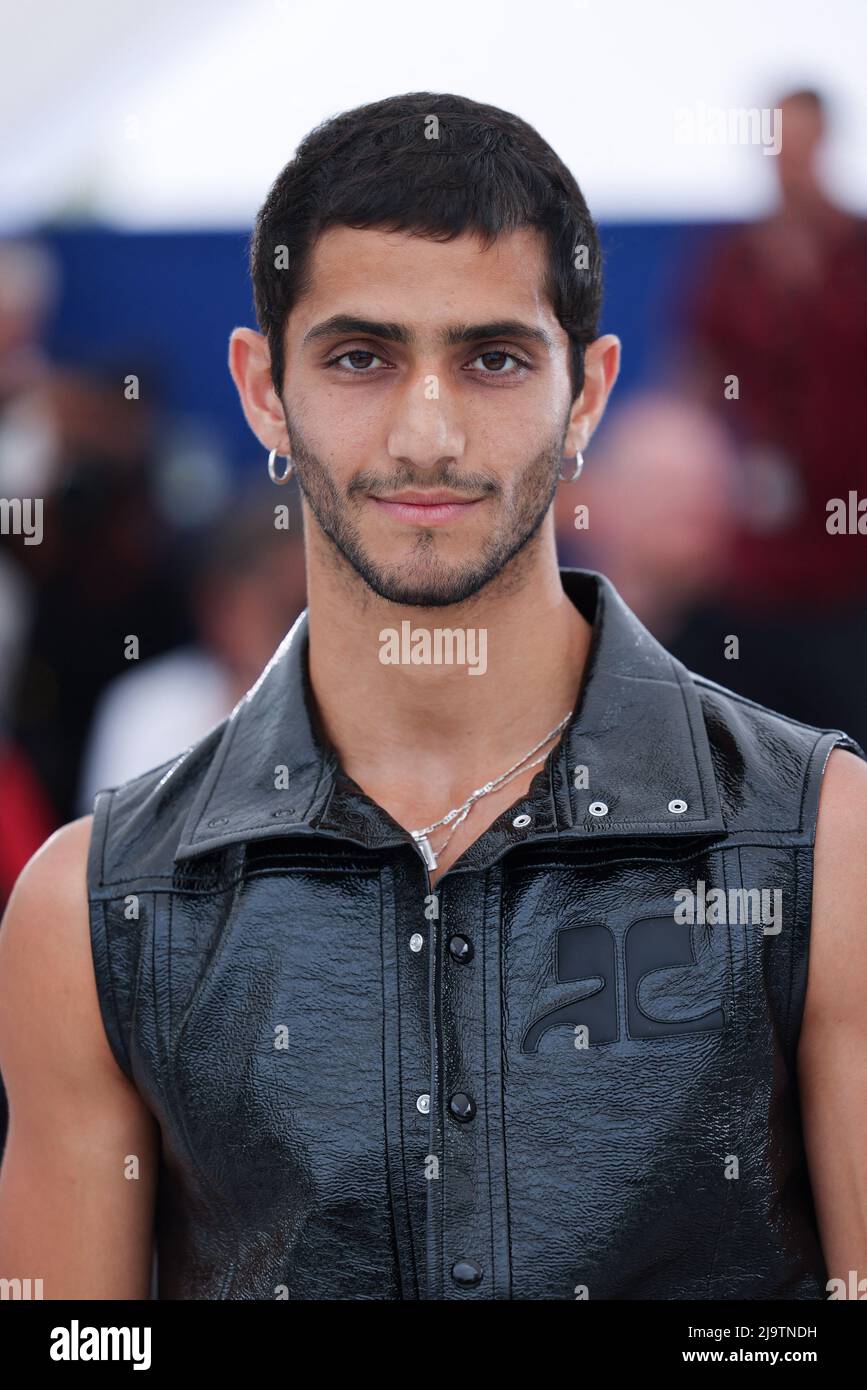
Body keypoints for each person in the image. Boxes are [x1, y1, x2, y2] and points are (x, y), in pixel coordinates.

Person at [1, 92, 865, 1302]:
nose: (428, 429)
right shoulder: (95, 909)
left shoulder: (824, 844)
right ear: (262, 390)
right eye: (361, 356)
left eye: (493, 357)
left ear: (586, 396)